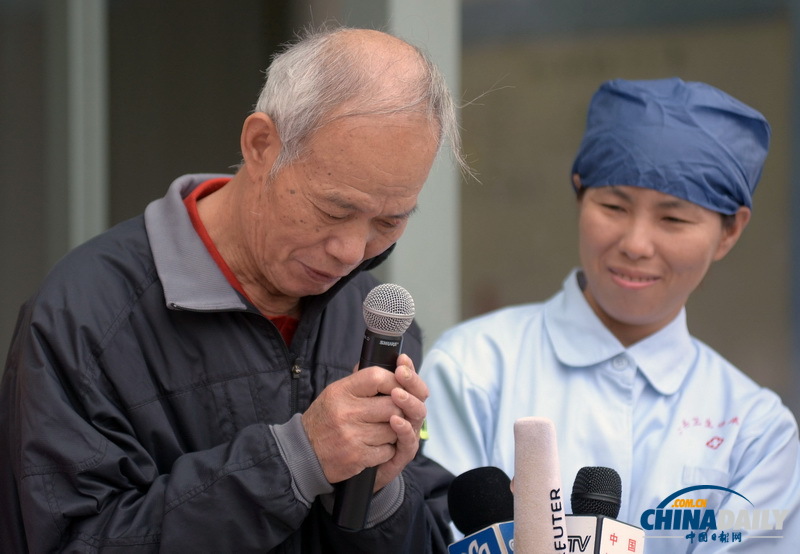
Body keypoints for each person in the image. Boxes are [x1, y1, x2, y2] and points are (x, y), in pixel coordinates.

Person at [0, 26, 464, 553]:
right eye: (334, 210)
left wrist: (377, 496)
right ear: (261, 144)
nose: (352, 252)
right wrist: (293, 461)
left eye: (389, 221)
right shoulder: (85, 316)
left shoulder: (369, 317)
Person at [421, 78, 800, 552]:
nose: (636, 244)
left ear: (730, 231)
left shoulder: (755, 429)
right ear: (580, 192)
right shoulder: (473, 367)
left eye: (674, 218)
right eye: (614, 206)